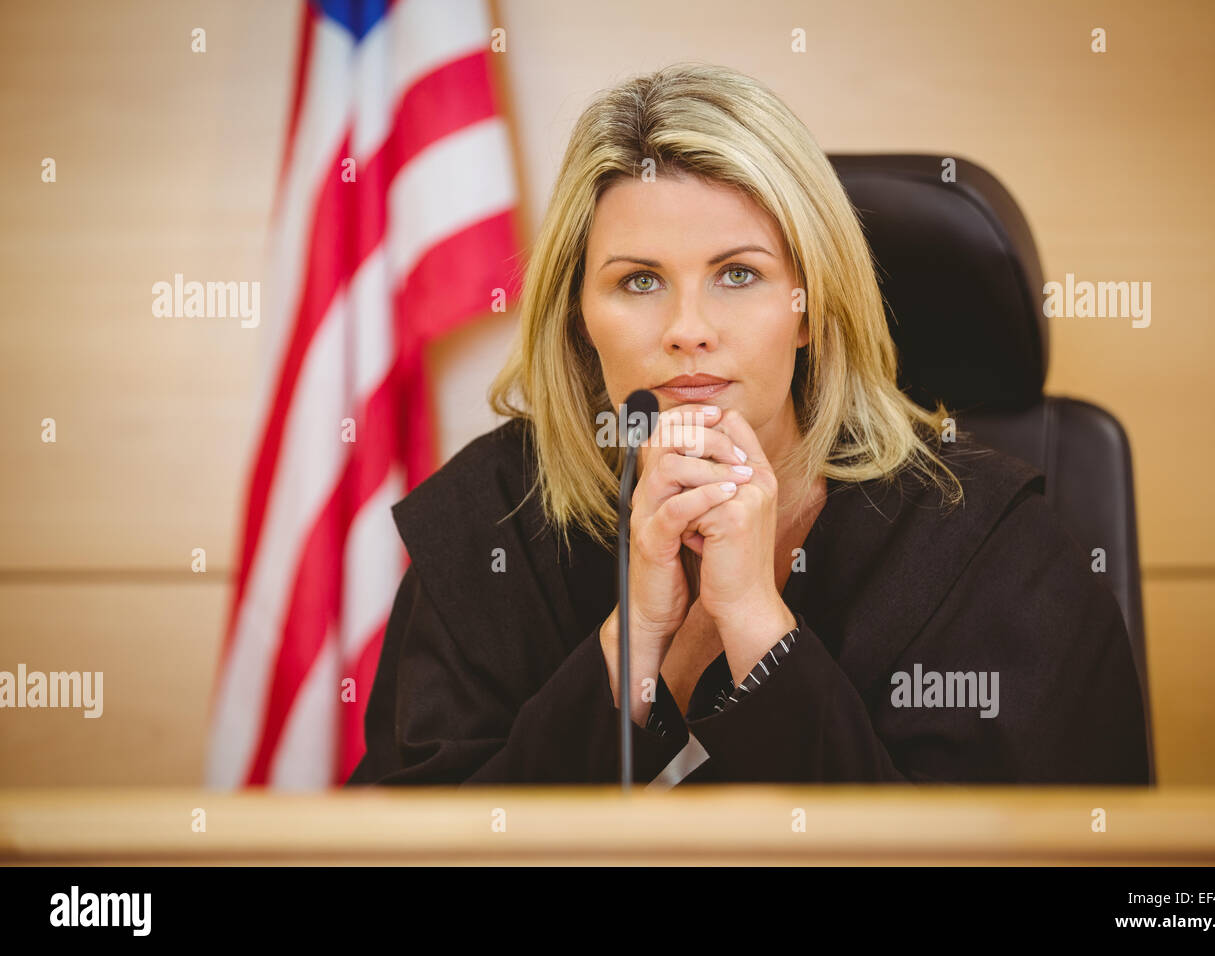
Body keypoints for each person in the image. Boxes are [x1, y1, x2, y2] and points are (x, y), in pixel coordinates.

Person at [346, 62, 1150, 787]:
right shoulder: (495, 517)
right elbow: (413, 845)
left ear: (810, 310)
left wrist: (762, 636)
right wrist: (634, 648)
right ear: (578, 319)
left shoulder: (990, 545)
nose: (688, 328)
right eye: (638, 282)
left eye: (739, 275)